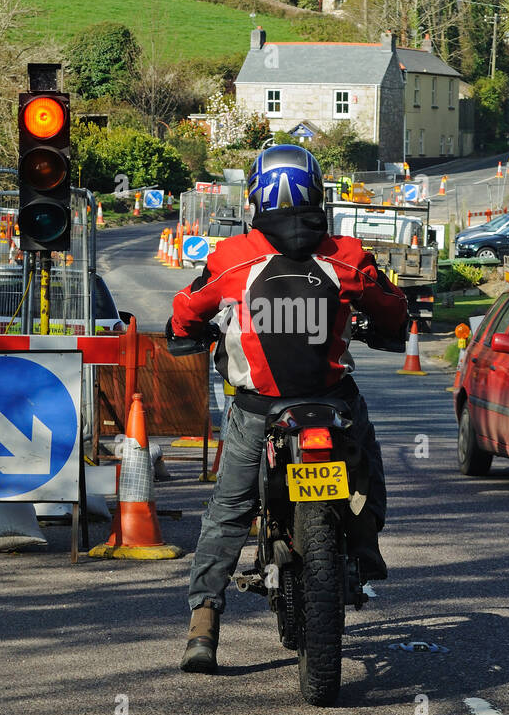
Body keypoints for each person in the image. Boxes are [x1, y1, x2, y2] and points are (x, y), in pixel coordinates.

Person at [168, 145, 409, 674]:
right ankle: (366, 548)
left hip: (259, 411)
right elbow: (392, 308)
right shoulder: (347, 257)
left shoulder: (232, 258)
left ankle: (203, 623)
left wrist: (186, 331)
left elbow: (187, 309)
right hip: (333, 405)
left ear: (255, 194)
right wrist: (385, 327)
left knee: (228, 510)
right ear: (318, 191)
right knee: (368, 471)